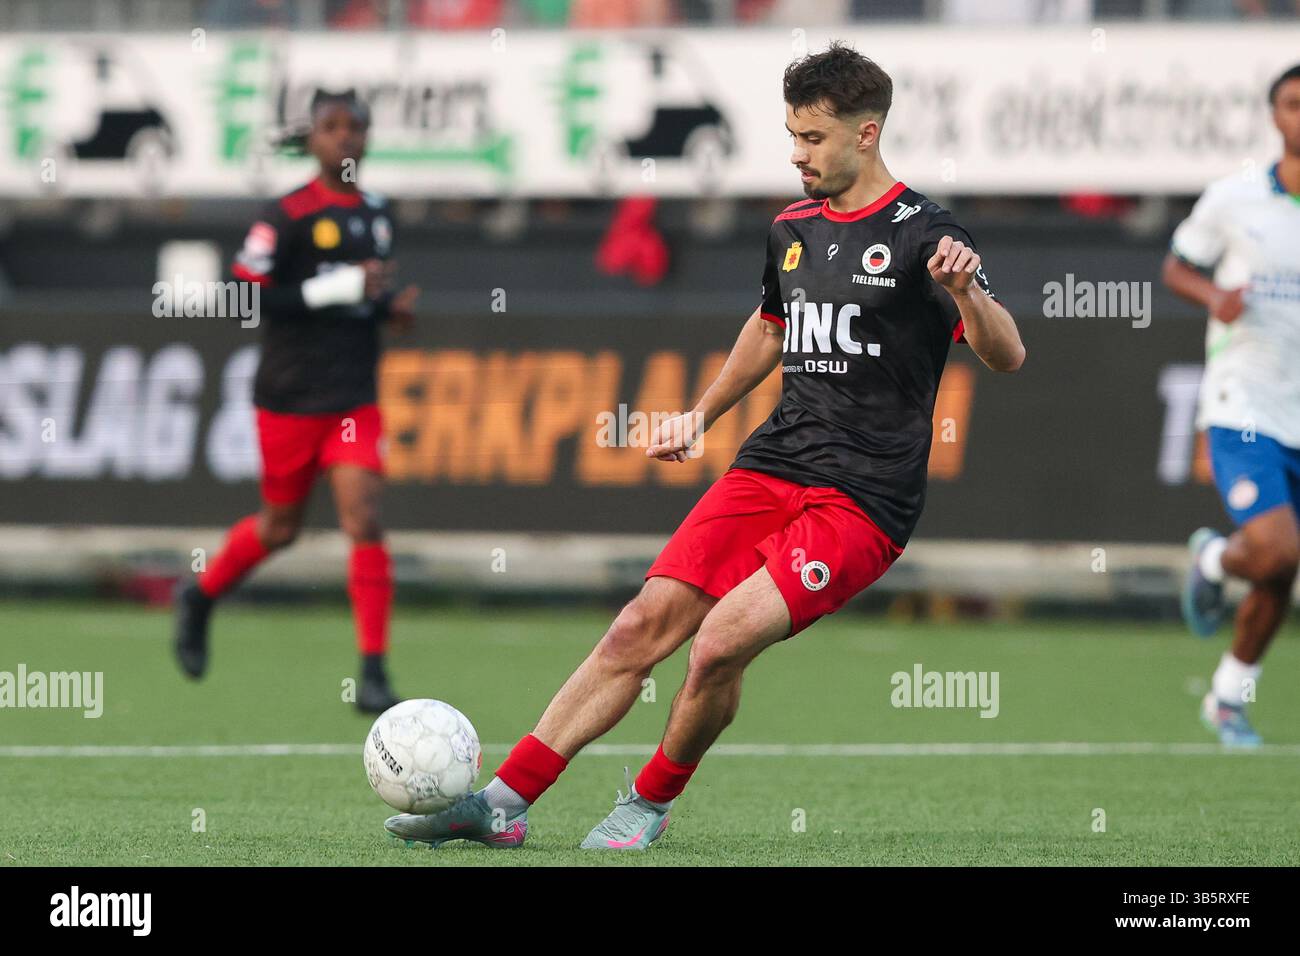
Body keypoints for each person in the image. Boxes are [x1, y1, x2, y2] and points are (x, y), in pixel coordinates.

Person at [386, 42, 1024, 851]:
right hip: (775, 462)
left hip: (864, 500)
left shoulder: (926, 234)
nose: (797, 154)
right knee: (637, 629)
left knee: (719, 641)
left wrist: (966, 289)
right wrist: (701, 414)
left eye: (814, 138)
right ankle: (503, 802)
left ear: (867, 134)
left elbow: (1006, 355)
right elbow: (769, 328)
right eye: (792, 134)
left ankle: (647, 803)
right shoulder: (791, 226)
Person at [173, 89, 418, 715]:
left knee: (363, 517)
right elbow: (242, 294)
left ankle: (373, 672)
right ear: (310, 138)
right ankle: (200, 597)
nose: (345, 137)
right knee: (279, 528)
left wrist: (389, 309)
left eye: (354, 127)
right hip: (288, 396)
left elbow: (364, 298)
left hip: (352, 397)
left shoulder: (379, 213)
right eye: (332, 127)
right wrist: (342, 286)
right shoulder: (284, 215)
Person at [1167, 64, 1300, 747]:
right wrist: (1214, 296)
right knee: (1277, 551)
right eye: (1293, 104)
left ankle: (1227, 699)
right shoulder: (1236, 197)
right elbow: (1177, 265)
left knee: (1280, 570)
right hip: (1244, 402)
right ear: (1275, 115)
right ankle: (1216, 561)